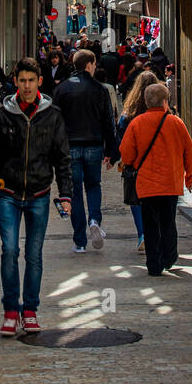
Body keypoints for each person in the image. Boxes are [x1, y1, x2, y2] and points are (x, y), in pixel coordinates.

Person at [0, 58, 72, 336]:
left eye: (31, 80)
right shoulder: (3, 115)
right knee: (9, 251)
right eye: (22, 81)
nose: (27, 86)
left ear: (39, 82)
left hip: (40, 194)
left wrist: (65, 194)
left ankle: (29, 310)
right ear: (15, 82)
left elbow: (62, 158)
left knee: (33, 254)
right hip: (7, 193)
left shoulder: (52, 115)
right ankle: (10, 310)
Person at [119, 83, 192, 277]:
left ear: (146, 102)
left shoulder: (137, 123)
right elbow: (189, 152)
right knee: (168, 221)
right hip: (170, 183)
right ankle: (170, 256)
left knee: (150, 223)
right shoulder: (176, 123)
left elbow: (126, 153)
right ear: (165, 102)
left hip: (146, 184)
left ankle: (153, 264)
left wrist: (133, 163)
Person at [53, 50, 120, 253]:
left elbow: (54, 123)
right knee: (93, 186)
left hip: (69, 147)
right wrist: (112, 151)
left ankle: (80, 240)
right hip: (94, 145)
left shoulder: (62, 89)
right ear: (90, 65)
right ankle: (94, 220)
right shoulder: (99, 90)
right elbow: (109, 122)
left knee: (73, 192)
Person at [117, 69, 158, 252]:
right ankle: (155, 234)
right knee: (157, 201)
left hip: (135, 164)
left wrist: (124, 159)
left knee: (137, 200)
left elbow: (121, 136)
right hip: (158, 162)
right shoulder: (164, 112)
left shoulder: (130, 112)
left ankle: (142, 234)